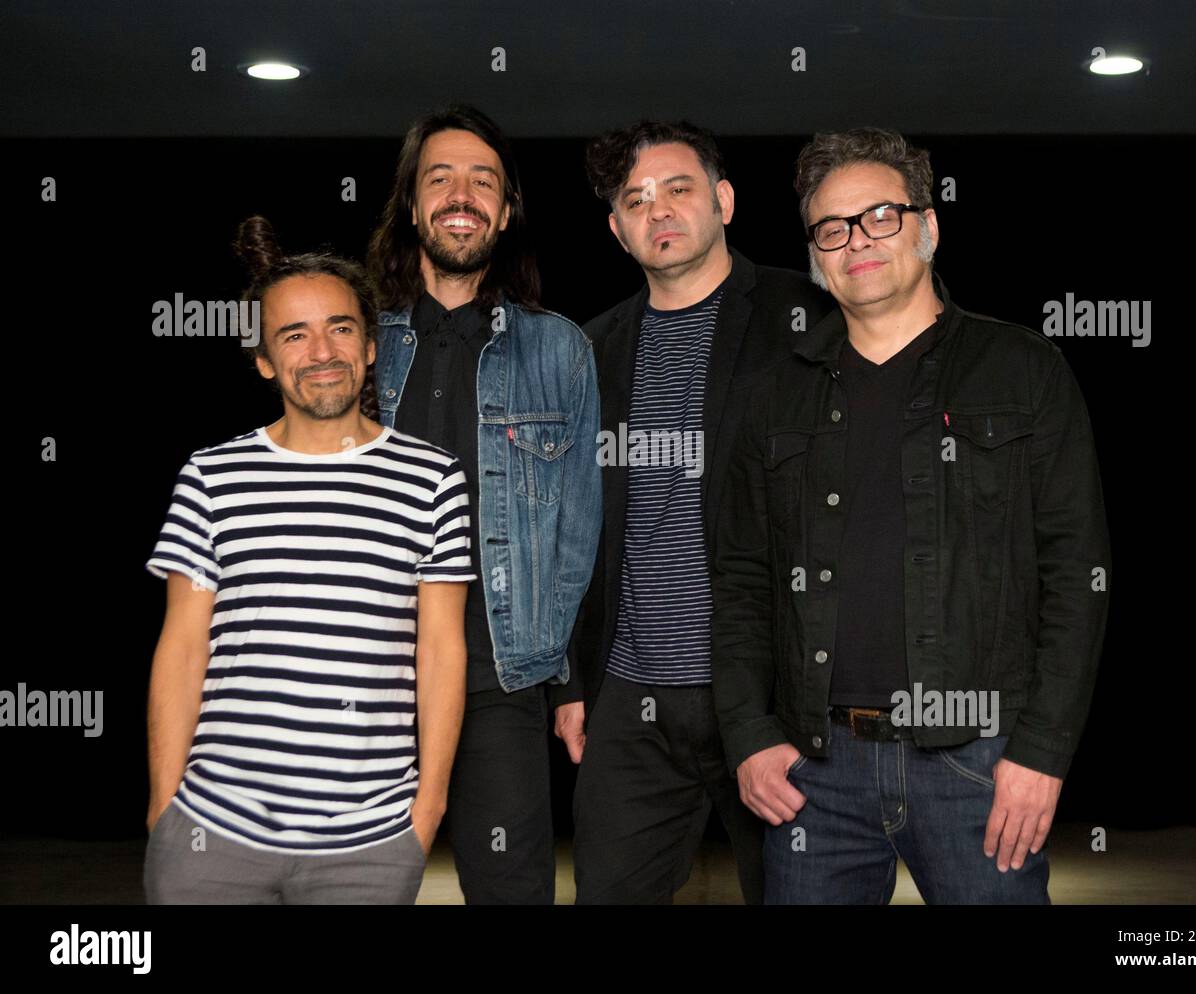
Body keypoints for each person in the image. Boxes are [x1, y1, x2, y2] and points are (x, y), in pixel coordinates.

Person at [711, 128, 1111, 904]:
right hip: (814, 774)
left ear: (929, 226)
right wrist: (750, 735)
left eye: (881, 216)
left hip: (980, 763)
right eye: (833, 227)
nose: (857, 240)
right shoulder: (775, 395)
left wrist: (1044, 753)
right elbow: (739, 578)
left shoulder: (1023, 369)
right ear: (817, 258)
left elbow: (1077, 574)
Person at [144, 216, 473, 904]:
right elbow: (181, 645)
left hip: (371, 848)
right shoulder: (211, 476)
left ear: (371, 344)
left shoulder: (433, 479)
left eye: (340, 328)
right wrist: (165, 809)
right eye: (294, 335)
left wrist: (427, 810)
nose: (321, 351)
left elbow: (442, 650)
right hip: (210, 837)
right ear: (264, 360)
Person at [555, 120, 834, 903]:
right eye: (635, 200)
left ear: (724, 200)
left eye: (678, 189)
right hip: (629, 699)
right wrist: (571, 681)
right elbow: (575, 526)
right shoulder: (592, 349)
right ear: (616, 229)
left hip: (768, 698)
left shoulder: (807, 315)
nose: (659, 211)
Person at [368, 105, 600, 904]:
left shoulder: (559, 349)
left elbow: (575, 532)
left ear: (504, 212)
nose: (460, 195)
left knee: (510, 888)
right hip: (365, 672)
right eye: (440, 178)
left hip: (502, 674)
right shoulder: (356, 340)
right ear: (410, 203)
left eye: (482, 181)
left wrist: (565, 684)